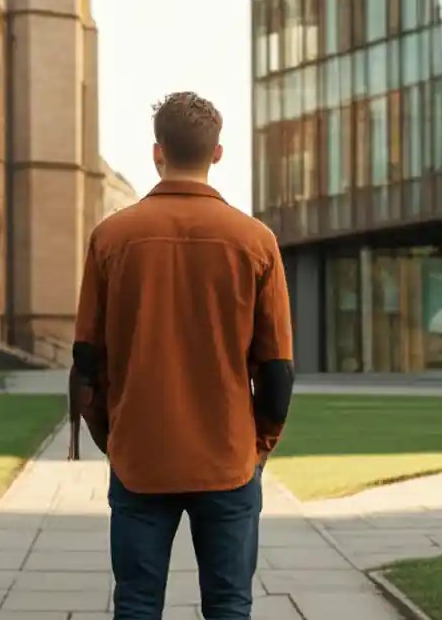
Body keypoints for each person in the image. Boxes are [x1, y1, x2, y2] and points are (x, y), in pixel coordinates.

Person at [70, 91, 295, 620]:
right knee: (229, 605)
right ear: (218, 154)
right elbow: (278, 370)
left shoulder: (111, 237)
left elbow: (86, 359)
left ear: (157, 152)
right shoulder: (256, 241)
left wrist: (112, 437)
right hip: (228, 456)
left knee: (138, 605)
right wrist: (258, 446)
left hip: (140, 454)